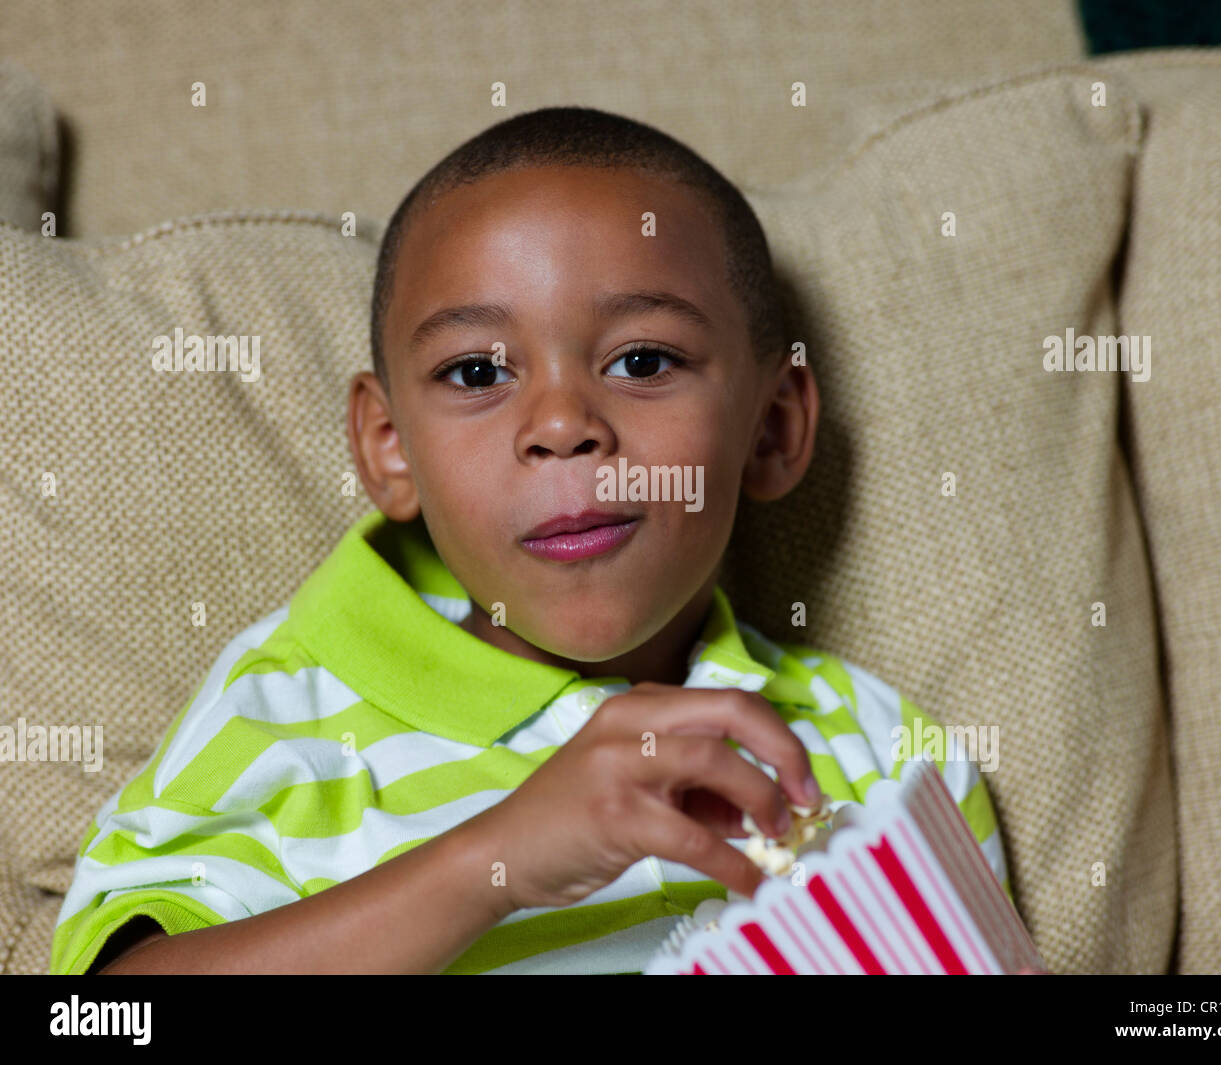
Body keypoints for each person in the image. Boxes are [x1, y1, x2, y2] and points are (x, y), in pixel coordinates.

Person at [50, 106, 1012, 975]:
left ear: (771, 429)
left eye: (641, 360)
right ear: (390, 450)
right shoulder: (286, 712)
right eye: (476, 372)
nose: (561, 423)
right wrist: (492, 862)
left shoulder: (878, 754)